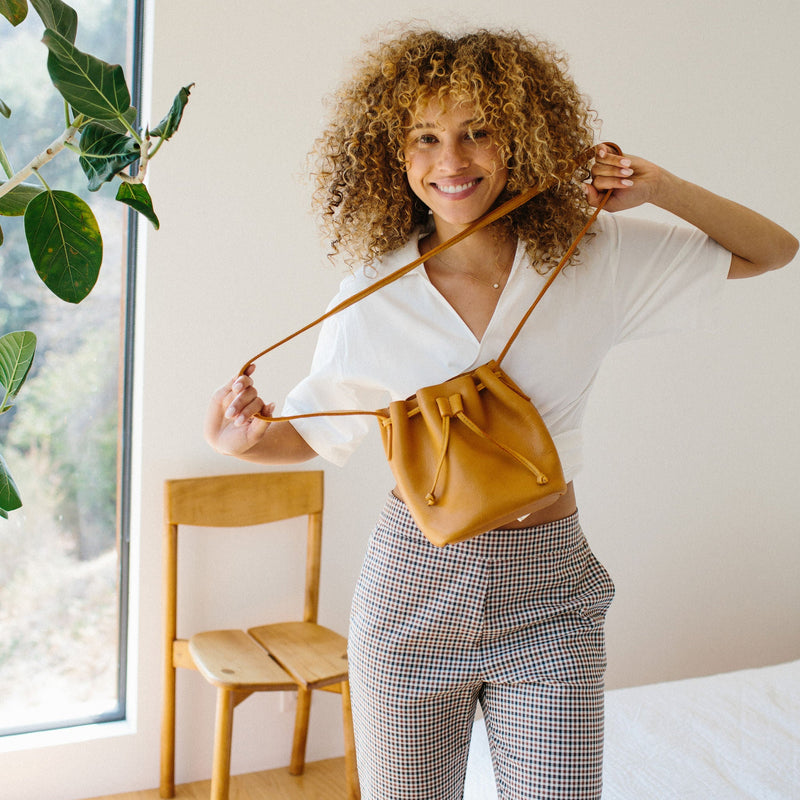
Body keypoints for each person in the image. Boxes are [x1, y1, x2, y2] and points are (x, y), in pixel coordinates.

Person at [204, 28, 797, 800]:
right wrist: (236, 441)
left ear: (520, 136)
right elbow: (315, 432)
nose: (451, 162)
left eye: (478, 131)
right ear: (394, 154)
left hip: (550, 596)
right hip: (412, 592)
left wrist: (662, 187)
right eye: (425, 137)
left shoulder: (594, 254)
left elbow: (772, 250)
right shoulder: (373, 292)